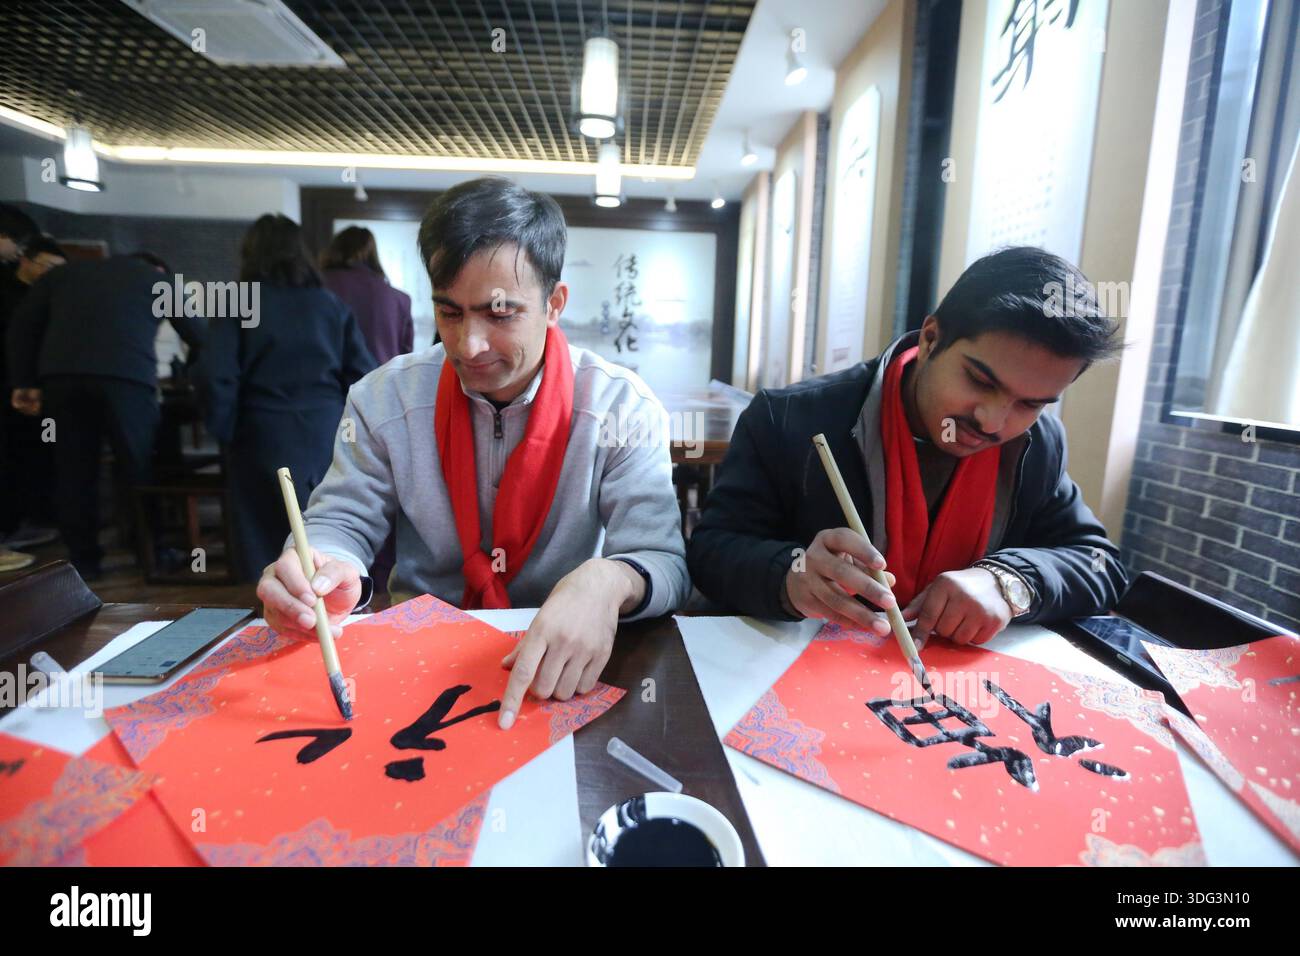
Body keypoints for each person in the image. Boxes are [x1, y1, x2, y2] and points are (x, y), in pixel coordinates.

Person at [255, 177, 690, 729]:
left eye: (500, 314)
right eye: (450, 313)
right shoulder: (384, 398)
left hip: (564, 656)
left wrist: (610, 580)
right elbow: (342, 519)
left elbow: (665, 562)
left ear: (554, 303)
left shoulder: (620, 407)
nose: (469, 345)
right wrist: (323, 565)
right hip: (420, 656)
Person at [687, 246, 1130, 646]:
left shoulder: (1037, 445)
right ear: (931, 338)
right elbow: (711, 552)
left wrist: (1009, 583)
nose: (992, 421)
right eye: (979, 381)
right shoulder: (791, 419)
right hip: (794, 678)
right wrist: (791, 573)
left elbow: (1099, 564)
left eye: (1031, 403)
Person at [198, 214, 375, 581]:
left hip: (261, 431)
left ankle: (269, 622)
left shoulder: (236, 302)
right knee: (321, 533)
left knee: (259, 540)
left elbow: (215, 374)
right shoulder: (330, 305)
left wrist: (225, 430)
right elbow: (364, 374)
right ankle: (325, 612)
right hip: (325, 433)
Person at [6, 251, 203, 580]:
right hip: (126, 380)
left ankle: (84, 562)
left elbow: (22, 327)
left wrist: (24, 382)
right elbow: (198, 335)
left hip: (62, 380)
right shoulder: (157, 280)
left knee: (73, 473)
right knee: (139, 468)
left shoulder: (62, 275)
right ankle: (151, 555)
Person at [0, 235, 66, 555]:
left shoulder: (51, 296)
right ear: (26, 260)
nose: (51, 274)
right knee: (15, 455)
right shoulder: (9, 295)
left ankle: (44, 517)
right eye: (48, 266)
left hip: (44, 391)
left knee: (44, 451)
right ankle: (15, 523)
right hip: (15, 389)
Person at [320, 226, 415, 365]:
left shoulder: (318, 287)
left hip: (330, 382)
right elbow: (406, 358)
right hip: (383, 382)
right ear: (373, 255)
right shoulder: (400, 299)